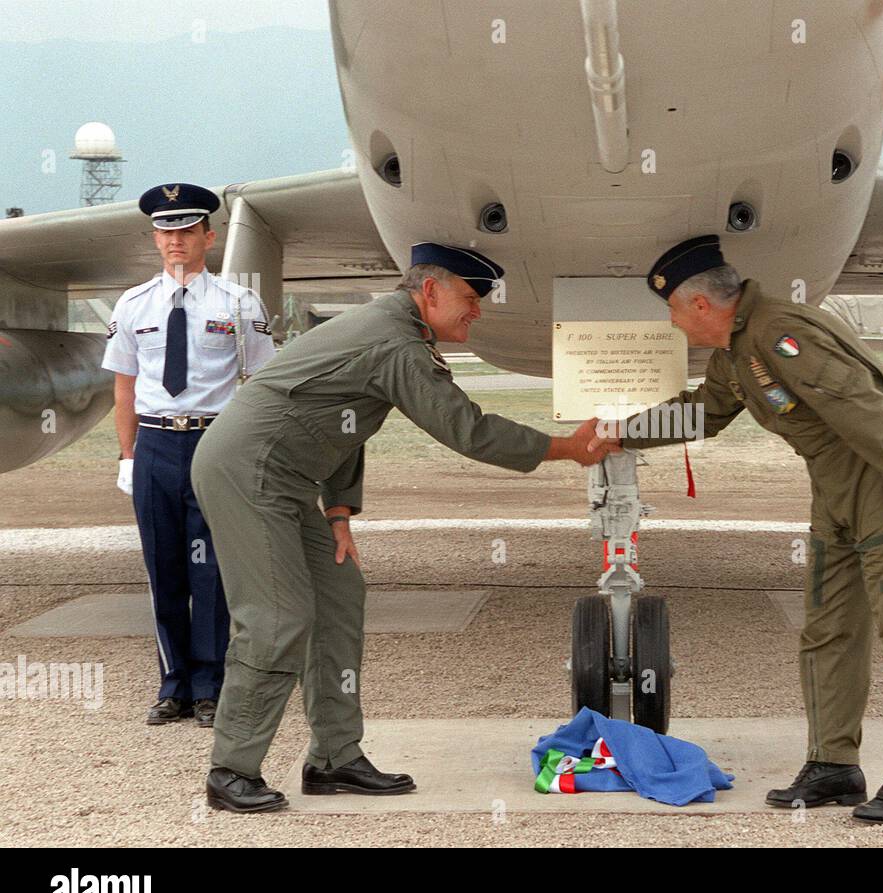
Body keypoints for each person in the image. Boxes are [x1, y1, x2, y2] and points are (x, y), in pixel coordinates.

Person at [192, 242, 620, 813]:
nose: (478, 311)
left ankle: (333, 758)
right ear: (432, 291)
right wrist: (566, 447)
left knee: (339, 596)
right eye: (471, 298)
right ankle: (231, 770)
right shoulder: (395, 340)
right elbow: (465, 428)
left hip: (288, 477)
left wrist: (339, 511)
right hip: (249, 472)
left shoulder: (390, 331)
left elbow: (342, 419)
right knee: (277, 617)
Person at [598, 235, 883, 824]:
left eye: (672, 310)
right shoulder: (736, 352)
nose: (672, 324)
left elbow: (860, 402)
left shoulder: (777, 333)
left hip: (882, 473)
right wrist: (620, 431)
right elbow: (705, 413)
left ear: (700, 306)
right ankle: (833, 764)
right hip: (837, 480)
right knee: (827, 625)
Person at [101, 183, 275, 728]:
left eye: (186, 230)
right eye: (165, 230)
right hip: (155, 444)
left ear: (208, 236)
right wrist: (128, 455)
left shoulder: (240, 303)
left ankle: (209, 685)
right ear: (154, 238)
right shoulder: (131, 305)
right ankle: (171, 684)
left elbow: (264, 382)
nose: (175, 239)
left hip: (215, 442)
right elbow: (124, 389)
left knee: (213, 570)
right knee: (164, 568)